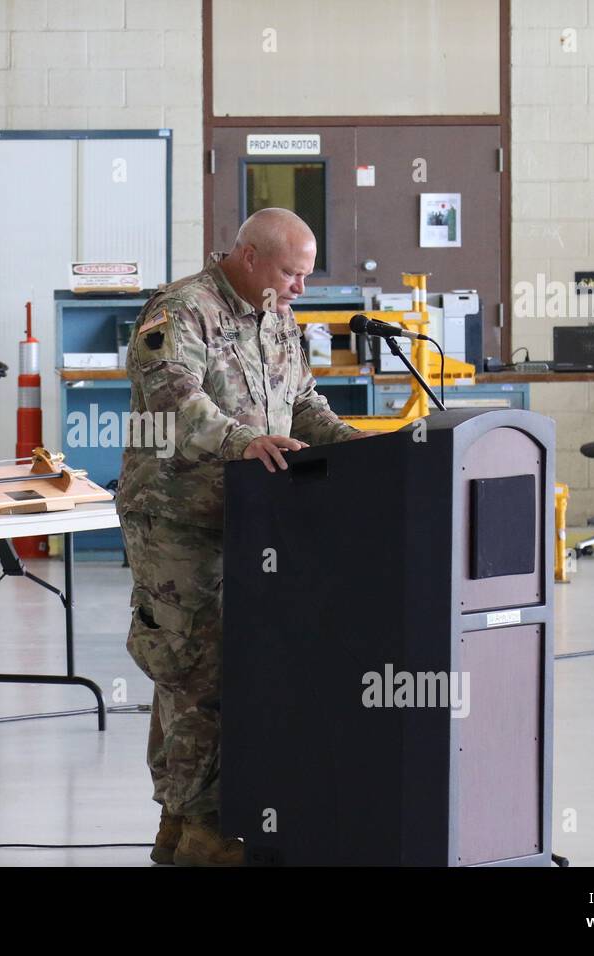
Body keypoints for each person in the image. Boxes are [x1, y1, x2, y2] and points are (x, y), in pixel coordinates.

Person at [115, 207, 370, 867]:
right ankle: (207, 835)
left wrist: (362, 450)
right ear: (250, 256)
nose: (300, 288)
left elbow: (304, 405)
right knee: (195, 670)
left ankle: (179, 822)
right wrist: (242, 440)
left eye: (306, 276)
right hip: (177, 519)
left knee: (215, 667)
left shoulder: (277, 318)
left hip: (254, 518)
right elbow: (171, 396)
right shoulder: (180, 310)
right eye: (292, 272)